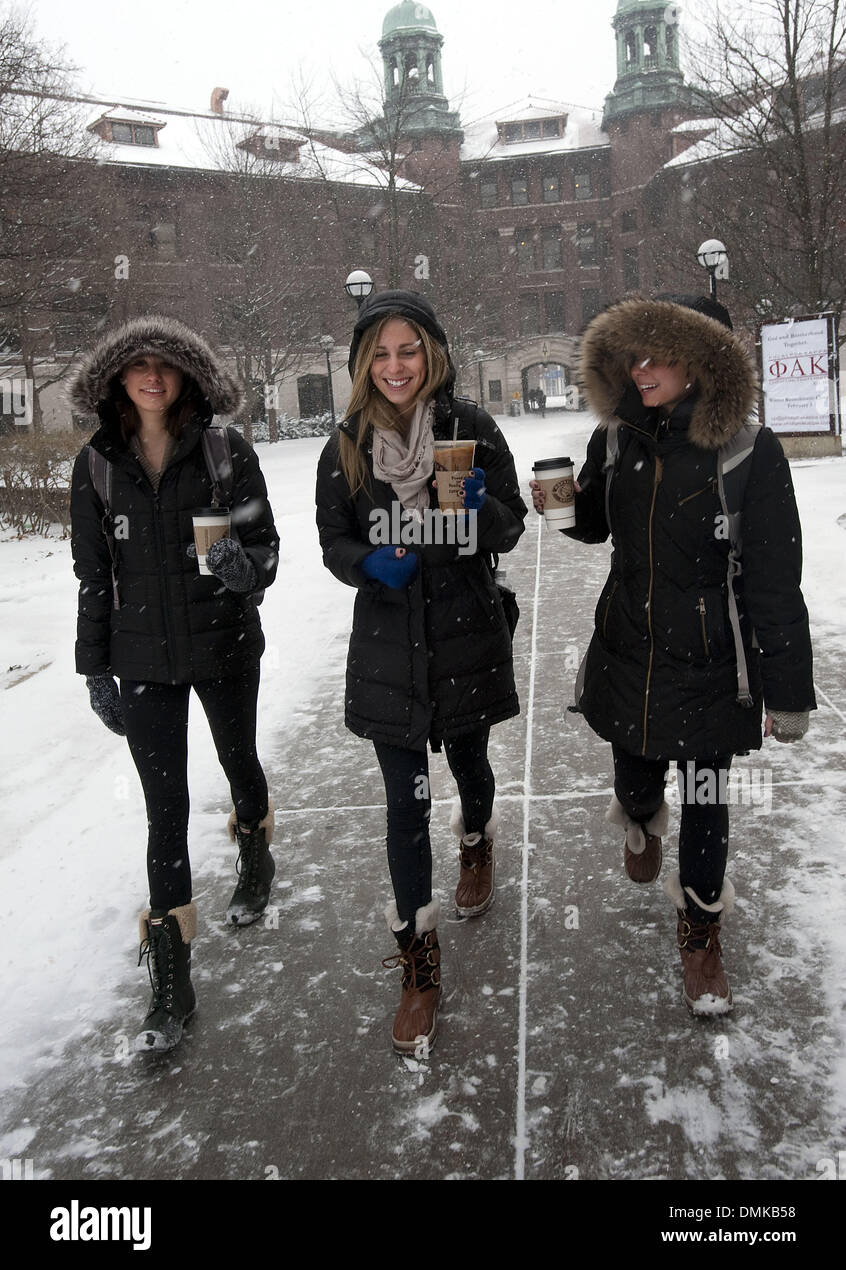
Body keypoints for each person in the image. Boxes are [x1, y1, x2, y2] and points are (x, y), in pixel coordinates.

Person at [530, 295, 815, 1015]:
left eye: (659, 354)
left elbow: (777, 580)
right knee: (635, 777)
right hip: (631, 648)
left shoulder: (750, 450)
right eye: (634, 355)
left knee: (709, 799)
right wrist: (560, 508)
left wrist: (786, 692)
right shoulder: (619, 437)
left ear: (701, 362)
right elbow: (595, 527)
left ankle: (701, 930)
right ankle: (636, 814)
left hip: (714, 662)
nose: (642, 368)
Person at [315, 290, 526, 1054]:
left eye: (409, 350)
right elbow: (330, 539)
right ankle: (418, 967)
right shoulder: (345, 444)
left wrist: (476, 513)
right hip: (387, 654)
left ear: (431, 355)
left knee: (470, 765)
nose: (396, 366)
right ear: (365, 363)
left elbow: (511, 522)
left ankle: (477, 840)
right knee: (404, 807)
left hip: (465, 637)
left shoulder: (472, 429)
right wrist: (366, 562)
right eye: (382, 352)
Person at [69, 315, 279, 1052]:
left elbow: (266, 549)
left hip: (224, 647)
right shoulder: (96, 465)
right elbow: (93, 577)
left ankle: (255, 855)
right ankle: (170, 978)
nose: (152, 376)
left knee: (237, 761)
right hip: (144, 664)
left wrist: (240, 571)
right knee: (167, 809)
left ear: (187, 375)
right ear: (117, 379)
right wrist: (94, 666)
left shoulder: (224, 450)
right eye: (138, 366)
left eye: (165, 365)